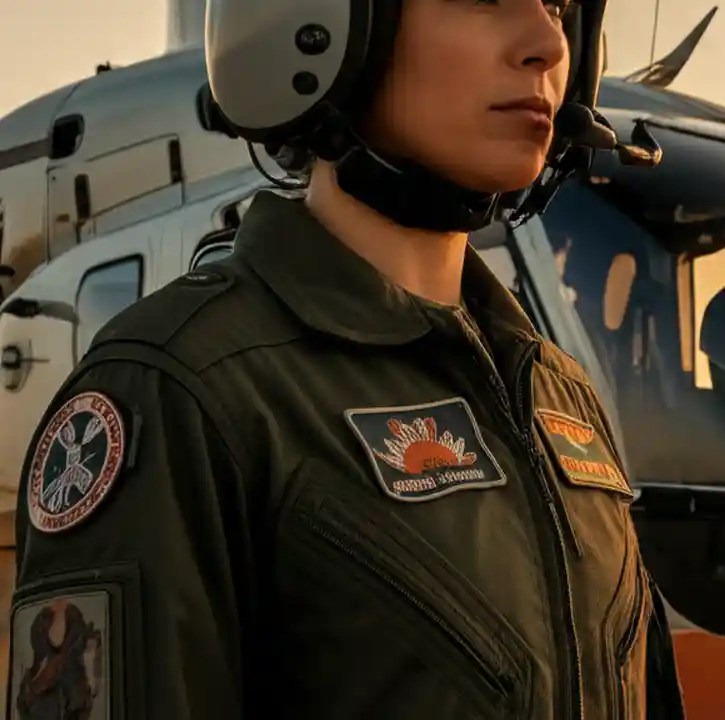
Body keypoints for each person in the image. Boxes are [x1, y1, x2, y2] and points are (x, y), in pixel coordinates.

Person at [7, 0, 683, 718]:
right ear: (322, 22)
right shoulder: (180, 393)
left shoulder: (558, 395)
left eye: (559, 6)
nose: (546, 43)